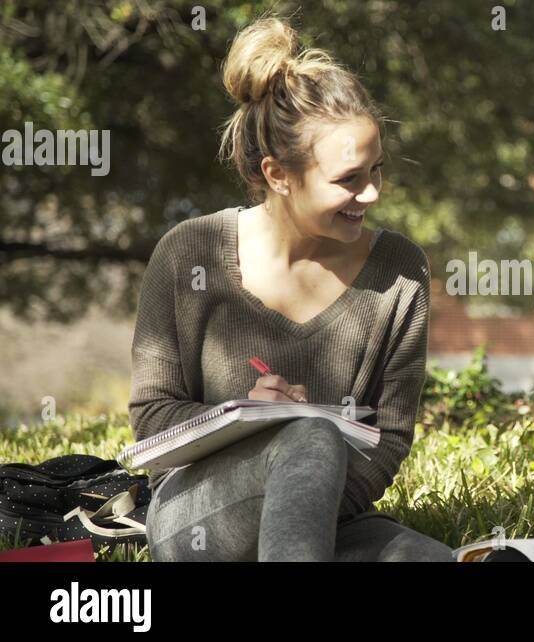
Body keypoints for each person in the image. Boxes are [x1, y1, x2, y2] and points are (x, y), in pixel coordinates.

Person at [130, 17, 453, 562]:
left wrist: (310, 503)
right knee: (310, 437)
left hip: (326, 521)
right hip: (198, 516)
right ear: (279, 174)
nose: (371, 192)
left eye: (377, 169)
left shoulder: (400, 271)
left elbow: (390, 440)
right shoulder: (189, 253)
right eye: (349, 178)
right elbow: (151, 421)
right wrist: (239, 414)